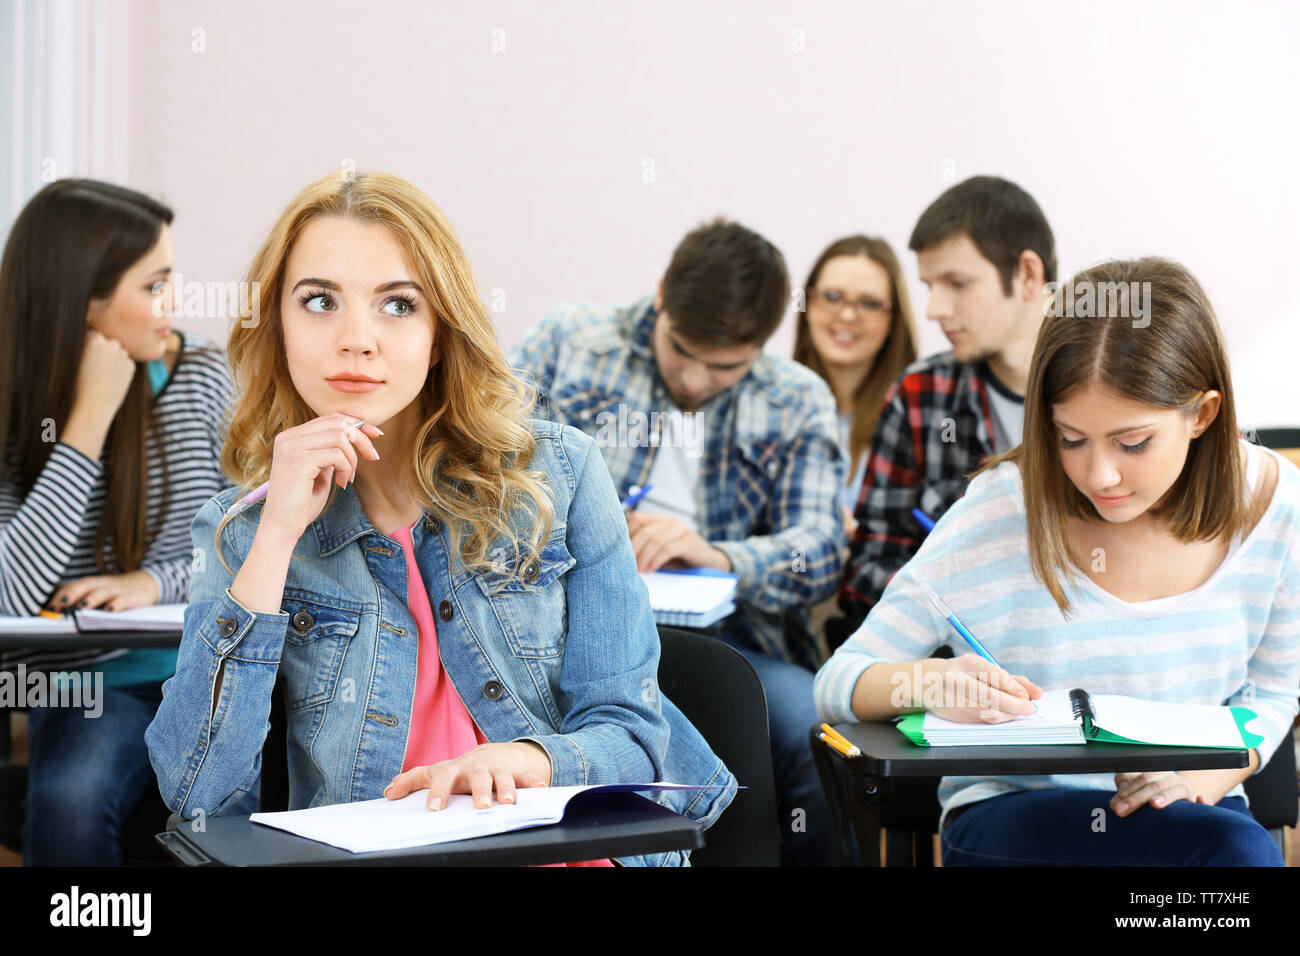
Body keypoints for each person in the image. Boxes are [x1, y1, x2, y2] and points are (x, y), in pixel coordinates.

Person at [144, 171, 736, 867]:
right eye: (319, 301)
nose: (356, 339)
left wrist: (525, 761)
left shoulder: (563, 474)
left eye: (397, 305)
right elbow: (196, 787)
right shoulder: (241, 527)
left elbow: (635, 739)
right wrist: (275, 537)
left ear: (439, 331)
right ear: (276, 323)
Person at [815, 258, 1298, 866]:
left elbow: (1278, 694)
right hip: (1016, 818)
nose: (1100, 474)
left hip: (1194, 815)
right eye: (1071, 438)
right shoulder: (1002, 508)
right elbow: (838, 681)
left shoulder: (1277, 505)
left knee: (1235, 858)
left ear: (1202, 414)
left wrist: (1206, 782)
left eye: (1133, 443)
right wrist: (932, 683)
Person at [509, 218, 845, 865]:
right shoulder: (569, 342)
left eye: (723, 366)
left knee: (810, 729)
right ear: (661, 294)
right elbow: (484, 469)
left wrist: (722, 557)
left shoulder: (796, 397)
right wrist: (589, 531)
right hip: (572, 630)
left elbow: (822, 548)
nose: (694, 379)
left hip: (740, 640)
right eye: (681, 350)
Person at [0, 179, 232, 864]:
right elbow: (10, 595)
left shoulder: (198, 377)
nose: (175, 304)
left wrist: (149, 584)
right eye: (154, 285)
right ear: (85, 302)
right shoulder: (17, 413)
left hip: (197, 673)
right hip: (83, 683)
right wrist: (86, 424)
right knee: (68, 799)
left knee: (219, 820)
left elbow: (243, 545)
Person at [837, 176, 1055, 633]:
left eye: (956, 283)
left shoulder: (1118, 379)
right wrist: (957, 597)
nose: (934, 308)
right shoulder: (920, 395)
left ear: (1028, 275)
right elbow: (867, 567)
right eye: (930, 285)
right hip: (959, 666)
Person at [794, 235, 918, 538]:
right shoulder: (769, 409)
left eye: (870, 303)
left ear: (893, 321)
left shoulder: (918, 422)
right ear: (807, 303)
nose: (848, 315)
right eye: (832, 297)